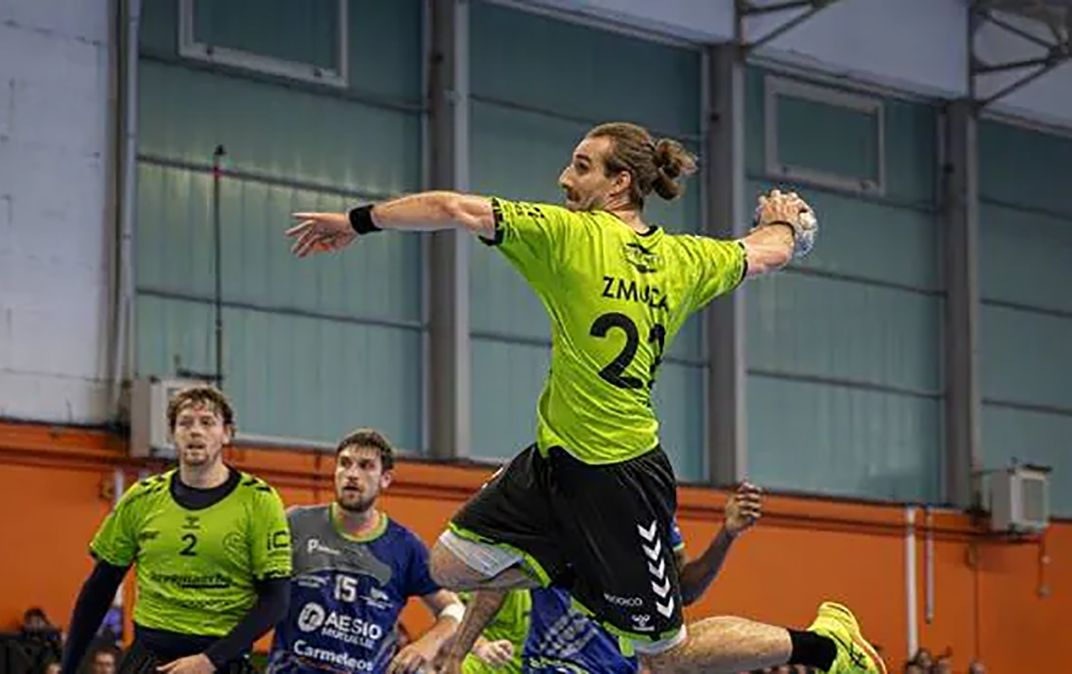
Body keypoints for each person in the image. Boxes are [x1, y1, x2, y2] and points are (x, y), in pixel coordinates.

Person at [285, 121, 883, 674]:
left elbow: (449, 207)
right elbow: (767, 251)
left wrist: (354, 220)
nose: (564, 179)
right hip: (553, 461)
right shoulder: (689, 257)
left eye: (580, 167)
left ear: (619, 182)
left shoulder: (568, 234)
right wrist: (789, 221)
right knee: (450, 565)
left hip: (620, 474)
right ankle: (574, 566)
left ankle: (829, 646)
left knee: (664, 656)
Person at [60, 385, 293, 674]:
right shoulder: (141, 498)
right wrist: (68, 667)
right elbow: (99, 588)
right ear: (172, 434)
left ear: (227, 434)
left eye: (207, 422)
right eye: (185, 423)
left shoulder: (259, 501)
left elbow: (277, 600)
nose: (195, 431)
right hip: (148, 659)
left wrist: (210, 660)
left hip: (220, 661)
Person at [461, 482, 764, 673]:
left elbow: (683, 591)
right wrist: (458, 651)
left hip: (618, 665)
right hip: (555, 663)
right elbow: (496, 580)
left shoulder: (651, 506)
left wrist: (727, 534)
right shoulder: (549, 494)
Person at [266, 428, 465, 673]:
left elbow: (454, 609)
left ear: (385, 479)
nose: (352, 474)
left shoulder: (404, 547)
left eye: (365, 466)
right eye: (345, 464)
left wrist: (427, 644)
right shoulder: (296, 523)